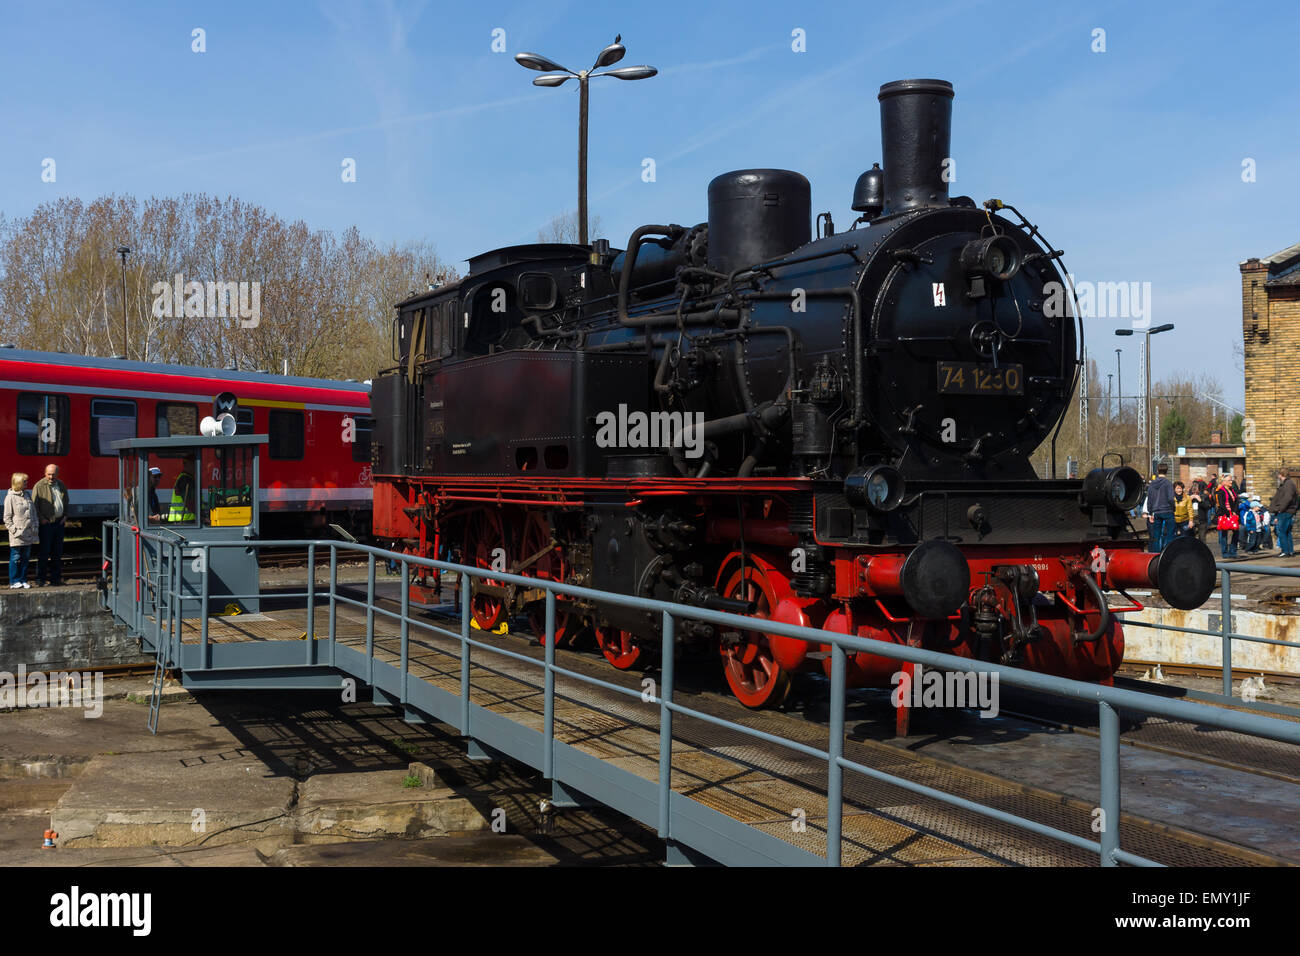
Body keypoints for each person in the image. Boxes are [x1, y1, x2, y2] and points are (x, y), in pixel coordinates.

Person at [32, 464, 69, 587]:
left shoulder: (61, 485)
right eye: (49, 474)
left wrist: (65, 516)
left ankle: (55, 579)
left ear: (57, 474)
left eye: (53, 474)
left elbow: (66, 501)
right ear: (45, 473)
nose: (51, 477)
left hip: (59, 523)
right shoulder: (39, 486)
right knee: (44, 553)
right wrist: (41, 519)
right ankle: (40, 579)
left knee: (57, 553)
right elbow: (34, 505)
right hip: (46, 524)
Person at [4, 473, 39, 588]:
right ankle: (14, 581)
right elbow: (7, 518)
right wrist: (15, 531)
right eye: (25, 482)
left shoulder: (27, 495)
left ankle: (23, 580)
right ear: (18, 483)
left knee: (25, 558)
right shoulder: (10, 497)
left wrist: (35, 525)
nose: (27, 483)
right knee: (15, 557)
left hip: (28, 533)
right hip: (17, 535)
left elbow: (33, 513)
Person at [1145, 463, 1175, 552]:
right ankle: (1168, 552)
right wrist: (1173, 508)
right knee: (1170, 534)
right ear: (1167, 471)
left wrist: (1150, 513)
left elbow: (1149, 499)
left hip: (1156, 511)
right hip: (1168, 510)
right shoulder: (1168, 483)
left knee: (1156, 536)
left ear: (1157, 471)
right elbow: (1170, 498)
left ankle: (1156, 554)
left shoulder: (1152, 484)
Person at [1269, 469, 1298, 558]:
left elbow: (1288, 498)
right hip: (1286, 510)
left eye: (1278, 474)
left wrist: (1280, 509)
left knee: (1281, 531)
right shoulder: (1287, 483)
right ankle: (1290, 551)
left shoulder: (1288, 484)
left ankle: (1285, 551)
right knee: (1287, 532)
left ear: (1280, 475)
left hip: (1285, 511)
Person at [1214, 477, 1240, 558]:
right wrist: (1228, 513)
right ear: (1224, 482)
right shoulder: (1220, 491)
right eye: (1229, 480)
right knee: (1224, 534)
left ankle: (1233, 551)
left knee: (1236, 532)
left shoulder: (1233, 490)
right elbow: (1221, 504)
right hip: (1224, 514)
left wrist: (1234, 511)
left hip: (1233, 514)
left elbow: (1236, 501)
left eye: (1231, 480)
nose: (1231, 482)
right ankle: (1225, 552)